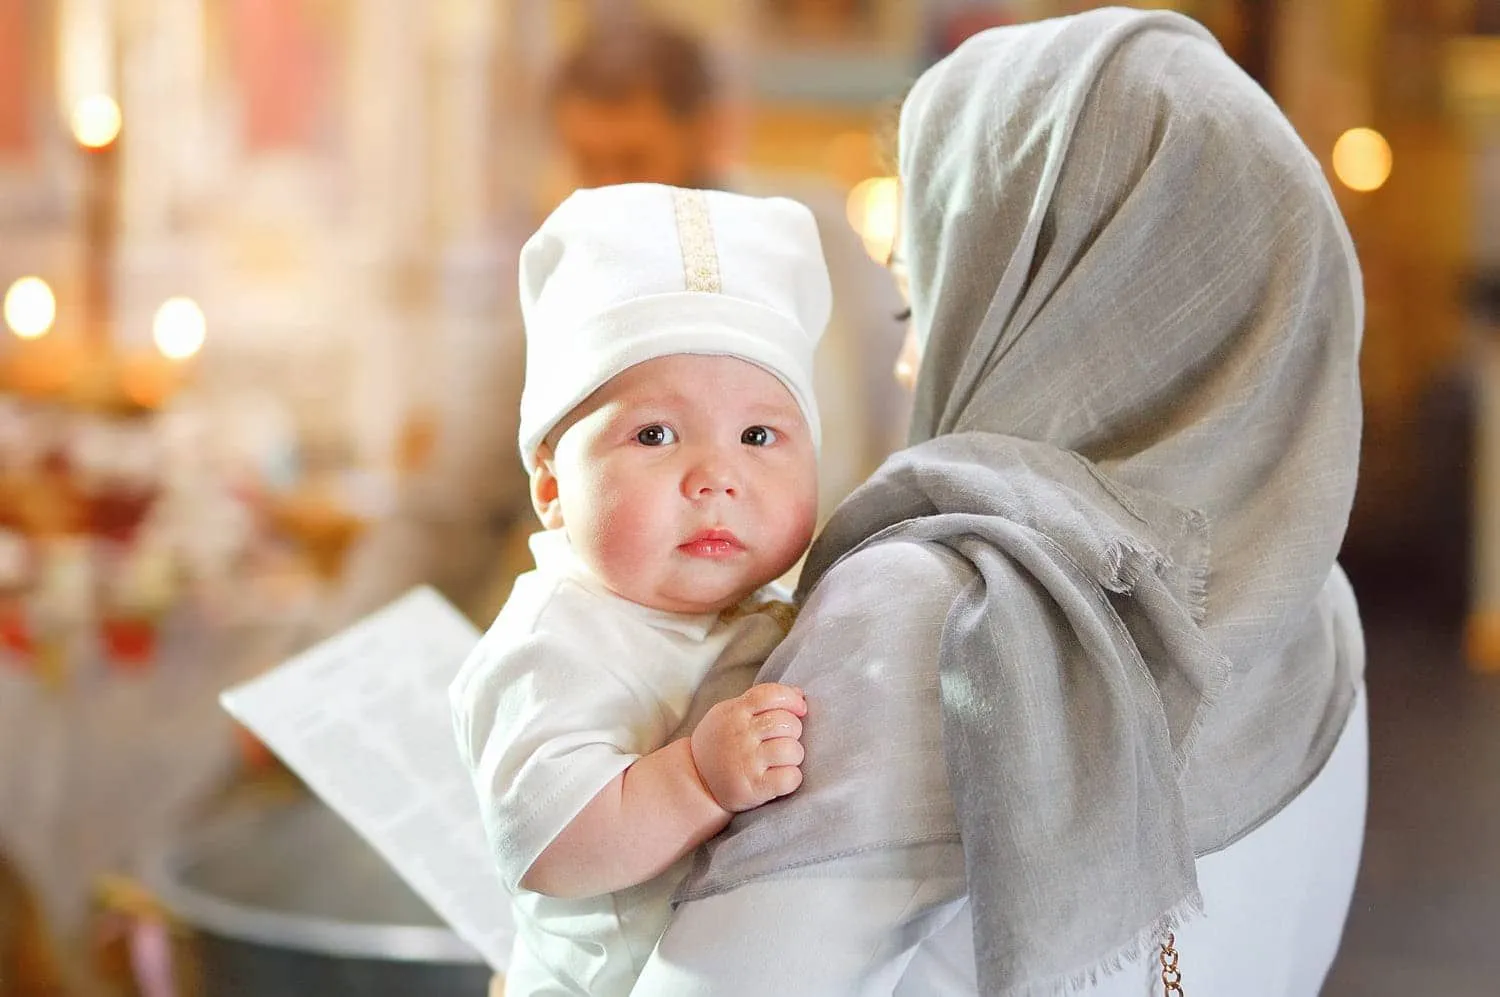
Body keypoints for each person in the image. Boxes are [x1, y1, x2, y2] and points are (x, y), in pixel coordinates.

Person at [629, 8, 1367, 996]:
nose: (908, 358)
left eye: (923, 303)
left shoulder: (944, 615)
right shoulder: (1314, 601)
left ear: (1055, 305)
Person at [451, 183, 830, 997]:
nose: (717, 476)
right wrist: (695, 777)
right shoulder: (556, 639)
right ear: (552, 484)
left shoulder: (779, 608)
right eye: (654, 433)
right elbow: (549, 843)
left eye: (759, 435)